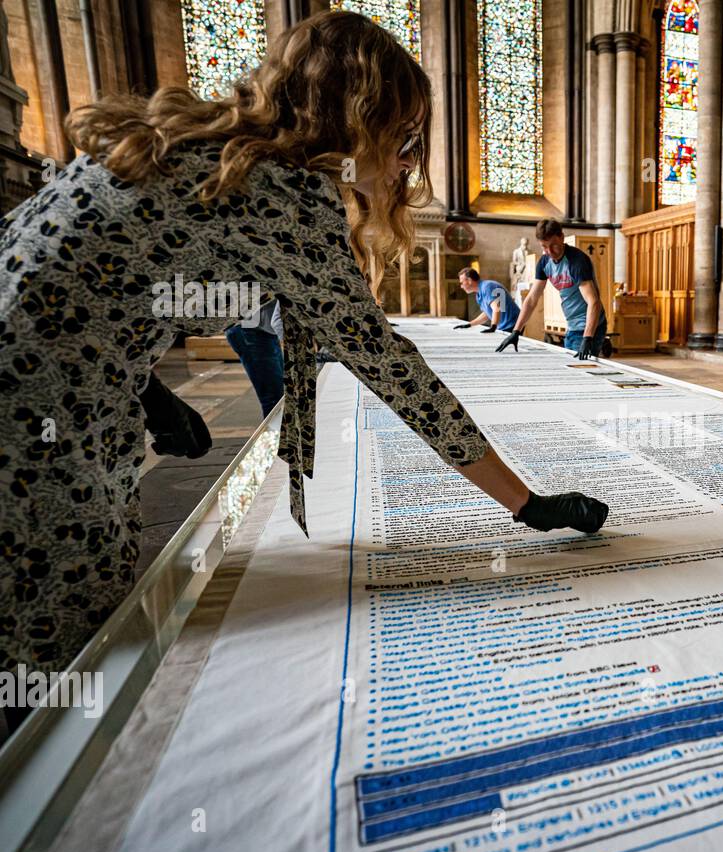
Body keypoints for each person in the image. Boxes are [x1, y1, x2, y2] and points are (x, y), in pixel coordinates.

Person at [0, 10, 608, 684]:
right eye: (403, 135)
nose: (409, 160)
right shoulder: (287, 192)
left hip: (41, 374)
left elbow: (78, 273)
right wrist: (527, 505)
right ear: (356, 119)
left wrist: (143, 384)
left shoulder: (201, 144)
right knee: (56, 638)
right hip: (35, 419)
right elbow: (391, 369)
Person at [497, 219, 605, 360]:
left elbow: (593, 301)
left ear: (561, 237)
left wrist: (588, 337)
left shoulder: (577, 261)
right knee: (571, 367)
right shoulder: (544, 262)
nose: (549, 251)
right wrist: (516, 331)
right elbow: (531, 299)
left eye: (553, 245)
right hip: (573, 325)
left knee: (578, 370)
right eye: (544, 247)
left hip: (590, 325)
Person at [225, 297, 286, 417]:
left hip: (263, 329)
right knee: (274, 399)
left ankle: (281, 433)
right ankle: (277, 435)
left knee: (280, 395)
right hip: (250, 329)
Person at [452, 267, 519, 334]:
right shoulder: (479, 293)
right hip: (504, 326)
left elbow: (496, 308)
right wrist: (469, 324)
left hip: (512, 323)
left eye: (462, 283)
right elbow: (487, 314)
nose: (461, 286)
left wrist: (493, 327)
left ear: (469, 280)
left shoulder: (487, 287)